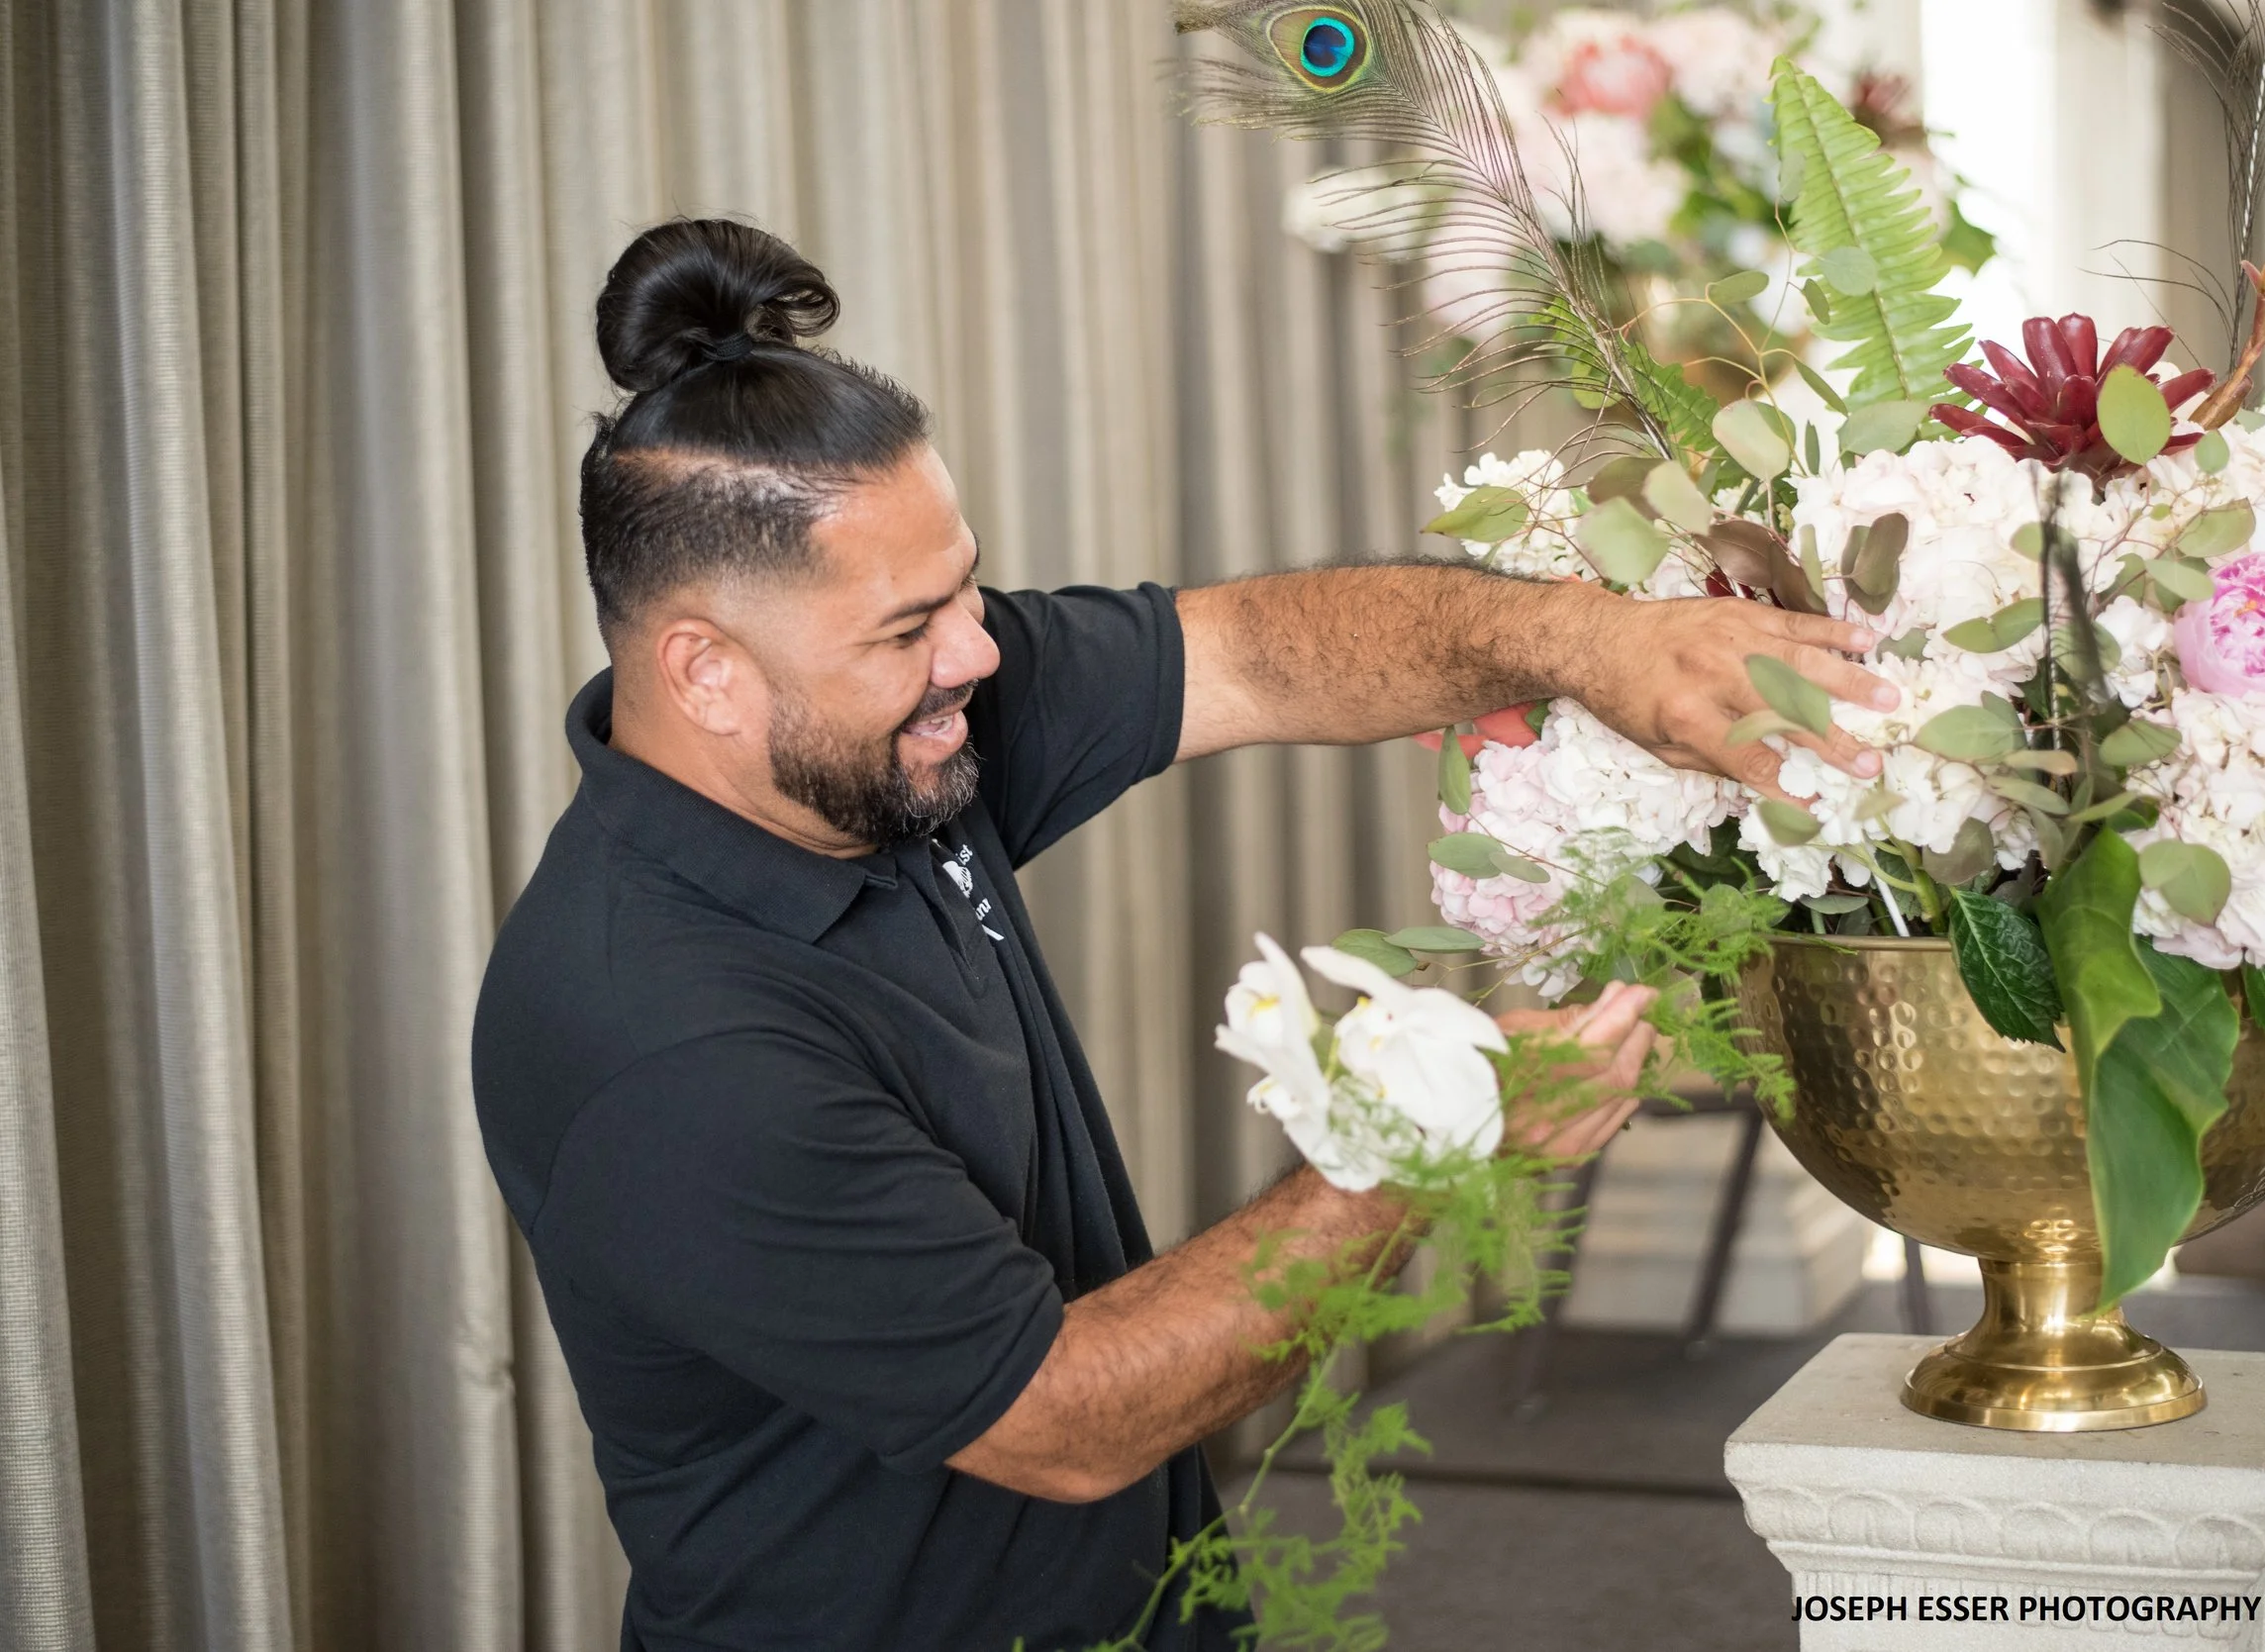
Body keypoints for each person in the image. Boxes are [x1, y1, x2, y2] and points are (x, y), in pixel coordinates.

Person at [470, 218, 1893, 1652]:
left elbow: (1252, 651)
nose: (976, 653)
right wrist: (1429, 1140)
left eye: (965, 589)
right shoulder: (662, 1043)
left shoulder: (880, 739)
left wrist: (1594, 642)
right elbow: (1068, 1415)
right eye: (910, 630)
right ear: (705, 673)